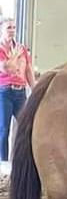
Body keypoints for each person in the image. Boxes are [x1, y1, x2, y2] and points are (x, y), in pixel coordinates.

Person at [0, 18, 35, 170]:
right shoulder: (2, 49)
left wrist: (35, 88)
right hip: (4, 92)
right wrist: (15, 56)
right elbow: (6, 68)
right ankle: (3, 163)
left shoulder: (21, 48)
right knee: (3, 128)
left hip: (20, 91)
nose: (12, 30)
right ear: (2, 29)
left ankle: (23, 161)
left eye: (14, 27)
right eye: (9, 27)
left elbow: (28, 69)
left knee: (25, 126)